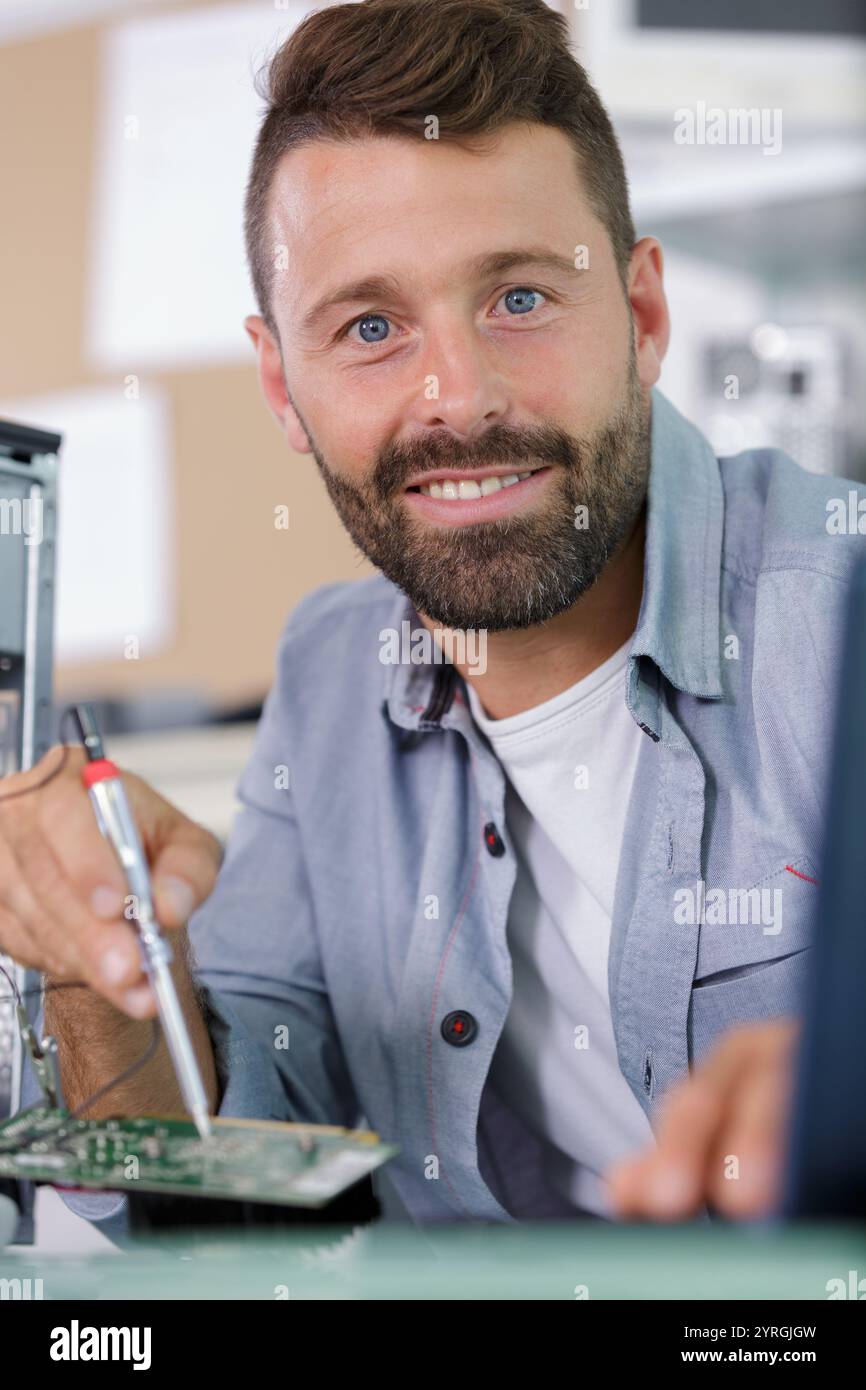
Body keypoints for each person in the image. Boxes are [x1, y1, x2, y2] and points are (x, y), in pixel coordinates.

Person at [3, 0, 864, 1230]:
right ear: (280, 385)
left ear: (643, 317)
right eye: (368, 327)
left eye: (518, 297)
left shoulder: (837, 614)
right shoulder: (328, 669)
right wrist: (101, 961)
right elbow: (233, 1145)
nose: (455, 398)